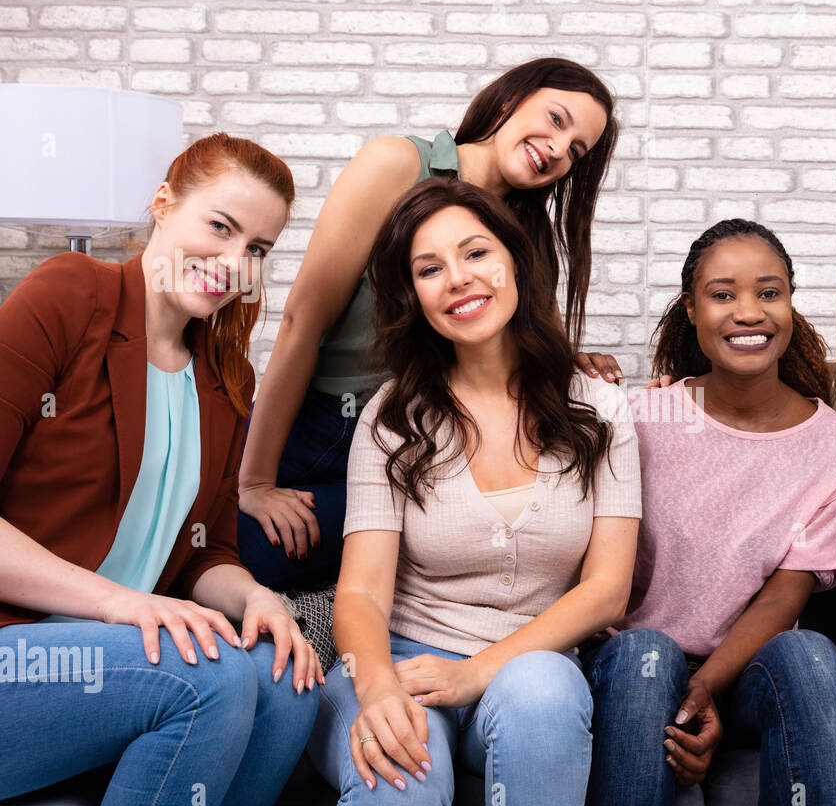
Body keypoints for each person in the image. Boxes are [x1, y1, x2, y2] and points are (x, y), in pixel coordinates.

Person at [0, 133, 323, 806]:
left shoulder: (225, 379)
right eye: (221, 227)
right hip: (17, 654)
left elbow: (205, 556)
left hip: (108, 670)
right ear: (162, 205)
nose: (235, 264)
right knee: (208, 679)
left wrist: (260, 601)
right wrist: (123, 604)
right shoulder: (71, 294)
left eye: (258, 249)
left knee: (286, 684)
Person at [308, 177, 640, 806]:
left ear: (514, 260)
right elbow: (362, 592)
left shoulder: (600, 410)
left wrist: (474, 675)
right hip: (398, 661)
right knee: (402, 778)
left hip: (527, 668)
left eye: (476, 254)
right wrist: (376, 690)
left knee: (544, 696)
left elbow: (607, 590)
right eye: (429, 269)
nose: (457, 279)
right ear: (414, 297)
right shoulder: (391, 418)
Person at [239, 58, 625, 591]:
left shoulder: (525, 236)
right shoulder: (398, 163)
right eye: (558, 120)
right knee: (262, 551)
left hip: (418, 440)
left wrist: (575, 360)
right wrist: (255, 481)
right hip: (321, 427)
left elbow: (526, 349)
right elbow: (302, 321)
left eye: (576, 151)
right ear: (512, 98)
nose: (559, 149)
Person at [582, 219, 836, 806]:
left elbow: (787, 595)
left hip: (740, 673)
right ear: (691, 308)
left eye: (769, 292)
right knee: (648, 654)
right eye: (722, 294)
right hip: (632, 665)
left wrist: (705, 689)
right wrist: (565, 370)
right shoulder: (642, 416)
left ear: (791, 302)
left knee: (812, 655)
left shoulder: (835, 445)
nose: (748, 313)